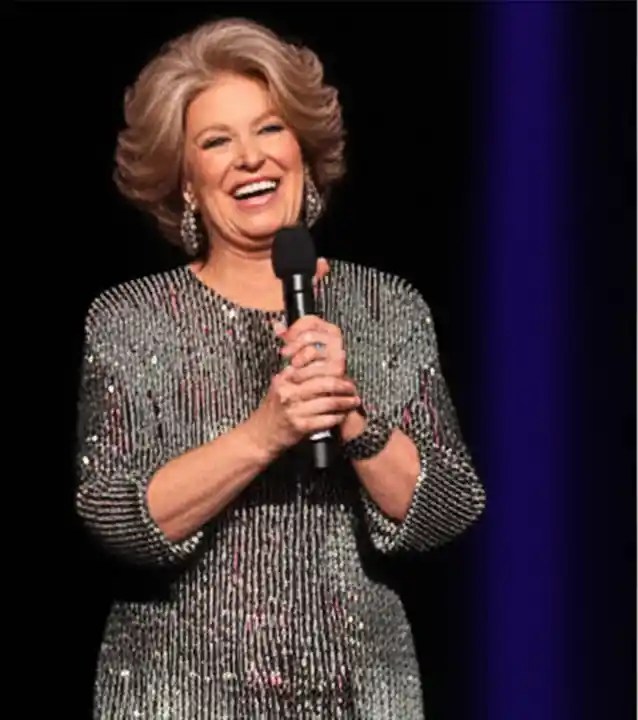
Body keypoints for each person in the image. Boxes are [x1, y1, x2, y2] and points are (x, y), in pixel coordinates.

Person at [75, 17, 486, 718]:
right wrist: (265, 433)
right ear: (184, 180)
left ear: (302, 147)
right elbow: (114, 514)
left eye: (269, 130)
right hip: (179, 691)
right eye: (215, 141)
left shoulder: (386, 306)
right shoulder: (129, 317)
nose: (249, 159)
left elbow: (449, 507)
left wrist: (348, 413)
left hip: (361, 690)